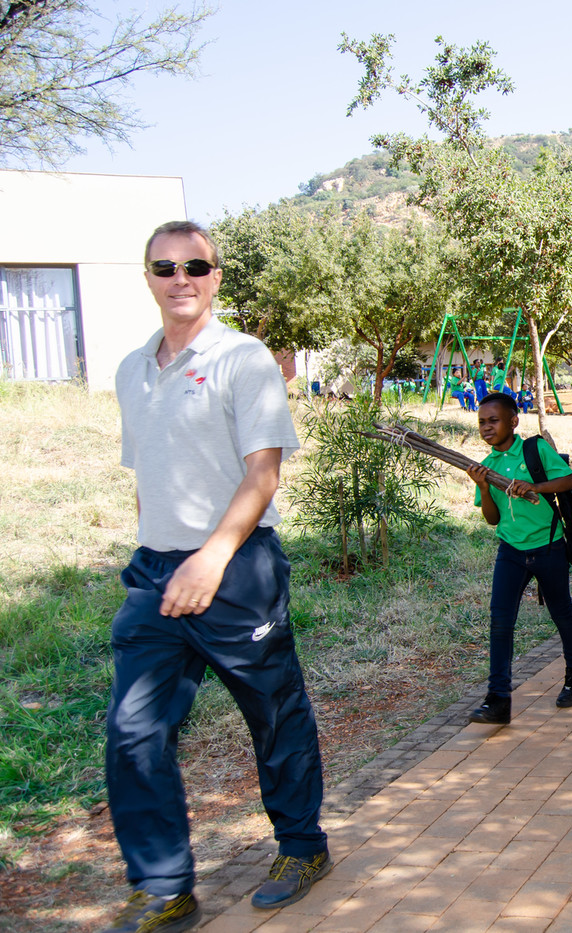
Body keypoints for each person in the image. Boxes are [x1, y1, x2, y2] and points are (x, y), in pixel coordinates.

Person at [102, 221, 329, 933]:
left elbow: (263, 475)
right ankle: (164, 886)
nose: (181, 279)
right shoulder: (131, 370)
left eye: (195, 266)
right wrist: (162, 554)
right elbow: (148, 478)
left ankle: (303, 847)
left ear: (215, 276)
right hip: (158, 574)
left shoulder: (243, 358)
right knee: (133, 730)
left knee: (274, 712)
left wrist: (210, 557)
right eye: (165, 267)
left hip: (236, 568)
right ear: (147, 277)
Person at [463, 392, 572, 726]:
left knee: (561, 613)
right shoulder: (487, 467)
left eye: (494, 420)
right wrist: (485, 488)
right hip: (510, 550)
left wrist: (533, 486)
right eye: (482, 422)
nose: (487, 427)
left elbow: (569, 480)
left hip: (548, 546)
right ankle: (498, 699)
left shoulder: (534, 449)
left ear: (513, 421)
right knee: (500, 621)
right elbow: (492, 519)